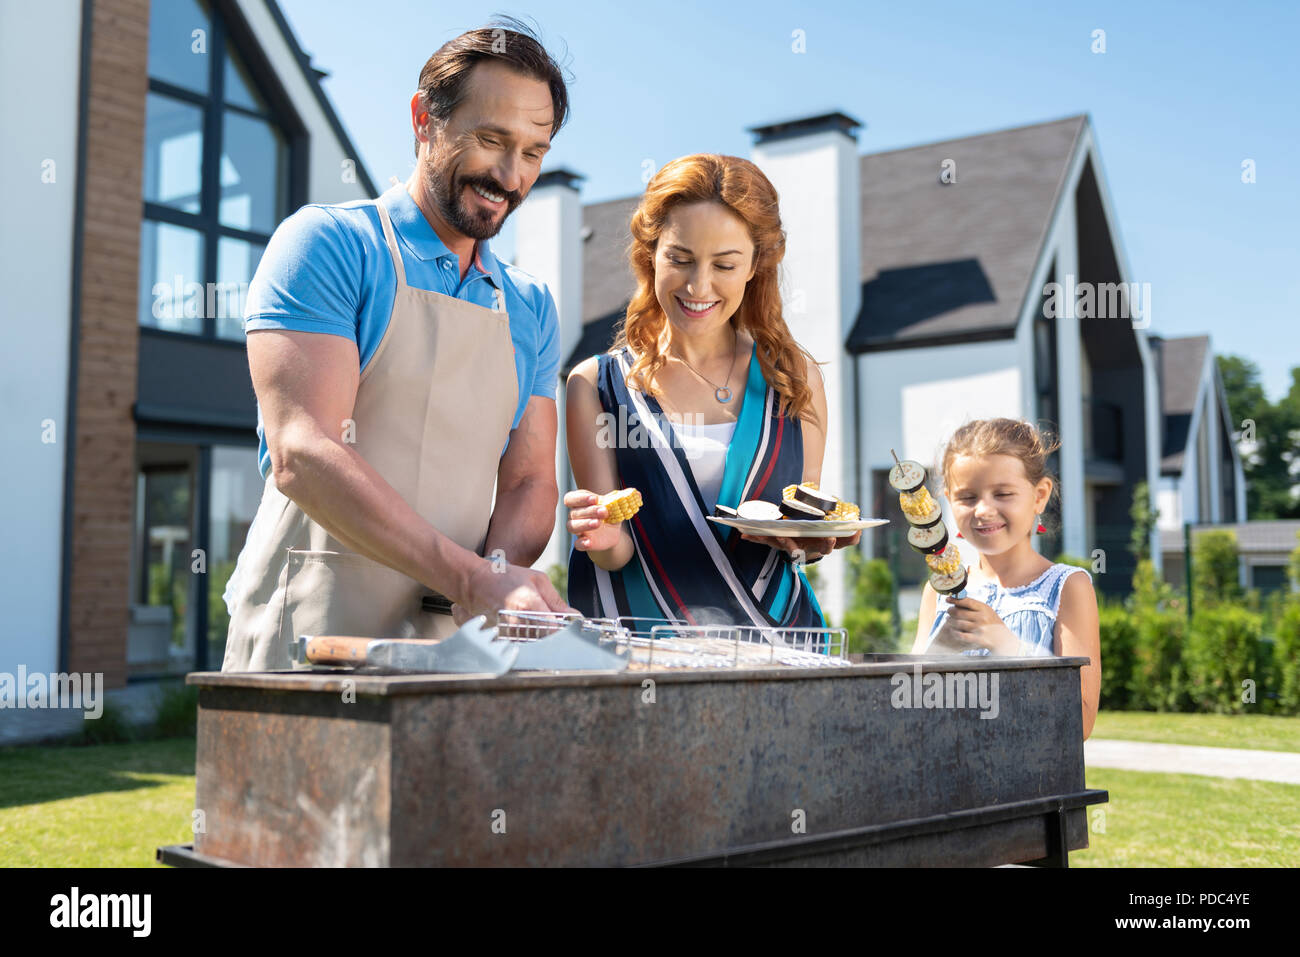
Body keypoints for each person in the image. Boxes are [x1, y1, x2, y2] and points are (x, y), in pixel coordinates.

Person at [221, 18, 575, 672]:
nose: (509, 174)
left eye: (533, 151)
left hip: (449, 639)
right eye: (491, 139)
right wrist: (470, 577)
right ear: (424, 119)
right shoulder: (329, 247)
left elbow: (529, 480)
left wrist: (492, 577)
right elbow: (304, 449)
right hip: (308, 635)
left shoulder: (530, 308)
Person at [564, 154, 860, 628]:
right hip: (644, 646)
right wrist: (600, 536)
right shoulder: (595, 386)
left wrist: (813, 540)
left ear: (755, 266)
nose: (699, 285)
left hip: (777, 644)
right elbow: (615, 556)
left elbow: (797, 522)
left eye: (725, 264)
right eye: (680, 259)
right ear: (650, 254)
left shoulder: (794, 377)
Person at [910, 418, 1101, 738]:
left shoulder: (1067, 587)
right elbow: (911, 700)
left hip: (1032, 782)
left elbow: (1079, 721)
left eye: (1003, 493)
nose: (983, 510)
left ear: (1039, 495)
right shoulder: (938, 591)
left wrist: (1007, 645)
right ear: (948, 500)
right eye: (967, 497)